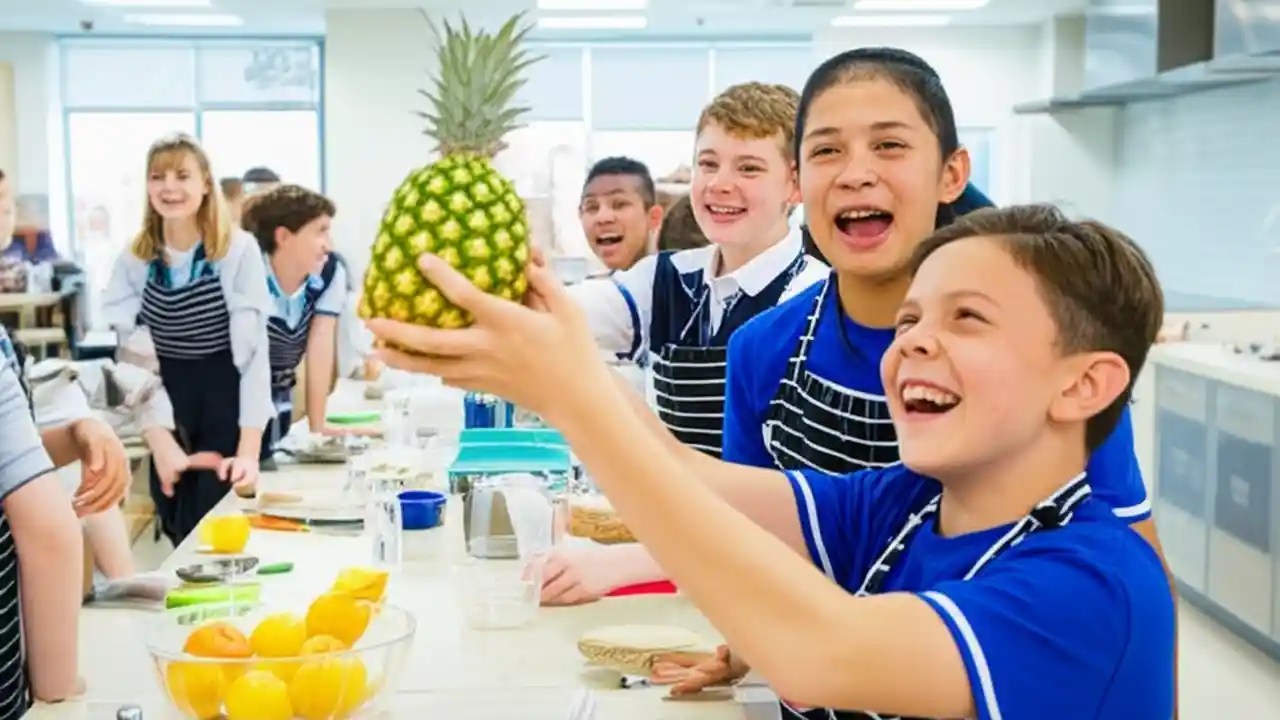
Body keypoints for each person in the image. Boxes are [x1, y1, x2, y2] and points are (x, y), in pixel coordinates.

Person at [367, 203, 1175, 719]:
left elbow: (823, 652)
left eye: (968, 319)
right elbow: (695, 483)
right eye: (910, 319)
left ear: (1084, 384)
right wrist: (570, 366)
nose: (914, 341)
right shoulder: (906, 504)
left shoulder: (1094, 584)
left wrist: (573, 394)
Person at [532, 48, 1163, 607]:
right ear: (803, 182)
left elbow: (1131, 571)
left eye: (889, 145)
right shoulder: (761, 350)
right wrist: (742, 648)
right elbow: (745, 535)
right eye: (828, 149)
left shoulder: (1037, 369)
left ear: (952, 172)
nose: (856, 172)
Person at [567, 81, 828, 457]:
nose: (720, 184)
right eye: (708, 164)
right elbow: (567, 315)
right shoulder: (663, 278)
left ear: (797, 185)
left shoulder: (814, 298)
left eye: (749, 168)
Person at [103, 133, 273, 546]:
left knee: (216, 529)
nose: (169, 187)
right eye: (157, 176)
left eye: (182, 175)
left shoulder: (237, 251)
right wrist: (160, 442)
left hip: (226, 405)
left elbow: (253, 360)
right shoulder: (133, 260)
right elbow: (132, 364)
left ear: (205, 183)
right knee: (177, 522)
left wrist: (248, 452)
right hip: (164, 403)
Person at [142, 184, 349, 463]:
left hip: (273, 405)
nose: (329, 244)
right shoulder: (241, 271)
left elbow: (320, 345)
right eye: (320, 231)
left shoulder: (330, 272)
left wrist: (318, 426)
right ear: (284, 236)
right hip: (215, 407)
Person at [579, 157, 663, 272]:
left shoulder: (678, 285)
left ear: (654, 217)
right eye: (592, 207)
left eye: (619, 204)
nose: (602, 218)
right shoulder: (586, 288)